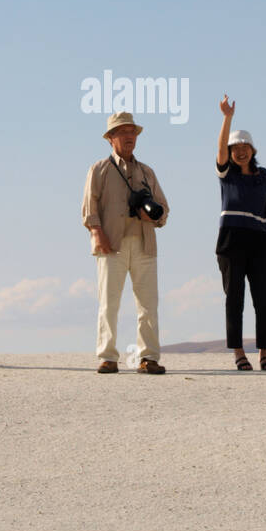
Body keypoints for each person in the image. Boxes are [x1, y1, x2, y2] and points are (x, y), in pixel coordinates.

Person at [82, 111, 170, 375]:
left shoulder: (147, 172)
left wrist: (153, 216)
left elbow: (164, 209)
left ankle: (148, 358)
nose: (129, 136)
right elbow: (89, 206)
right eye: (123, 132)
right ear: (111, 138)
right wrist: (97, 233)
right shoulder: (99, 169)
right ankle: (108, 357)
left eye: (132, 132)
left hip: (145, 244)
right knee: (109, 303)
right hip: (111, 244)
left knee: (148, 304)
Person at [215, 95, 266, 371]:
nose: (240, 152)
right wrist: (227, 118)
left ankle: (264, 353)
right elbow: (220, 149)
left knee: (263, 299)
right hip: (231, 239)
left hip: (259, 240)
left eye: (245, 147)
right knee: (234, 298)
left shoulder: (264, 175)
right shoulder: (227, 174)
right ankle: (238, 353)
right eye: (235, 148)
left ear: (252, 149)